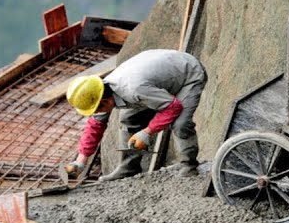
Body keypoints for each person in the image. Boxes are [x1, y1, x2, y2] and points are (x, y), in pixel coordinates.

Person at [63, 49, 207, 181]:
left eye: (96, 110)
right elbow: (95, 126)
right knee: (129, 118)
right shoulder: (101, 90)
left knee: (180, 124)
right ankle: (128, 168)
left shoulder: (135, 89)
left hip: (188, 74)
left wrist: (147, 132)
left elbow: (173, 107)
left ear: (105, 101)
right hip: (159, 79)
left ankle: (189, 166)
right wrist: (80, 161)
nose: (96, 114)